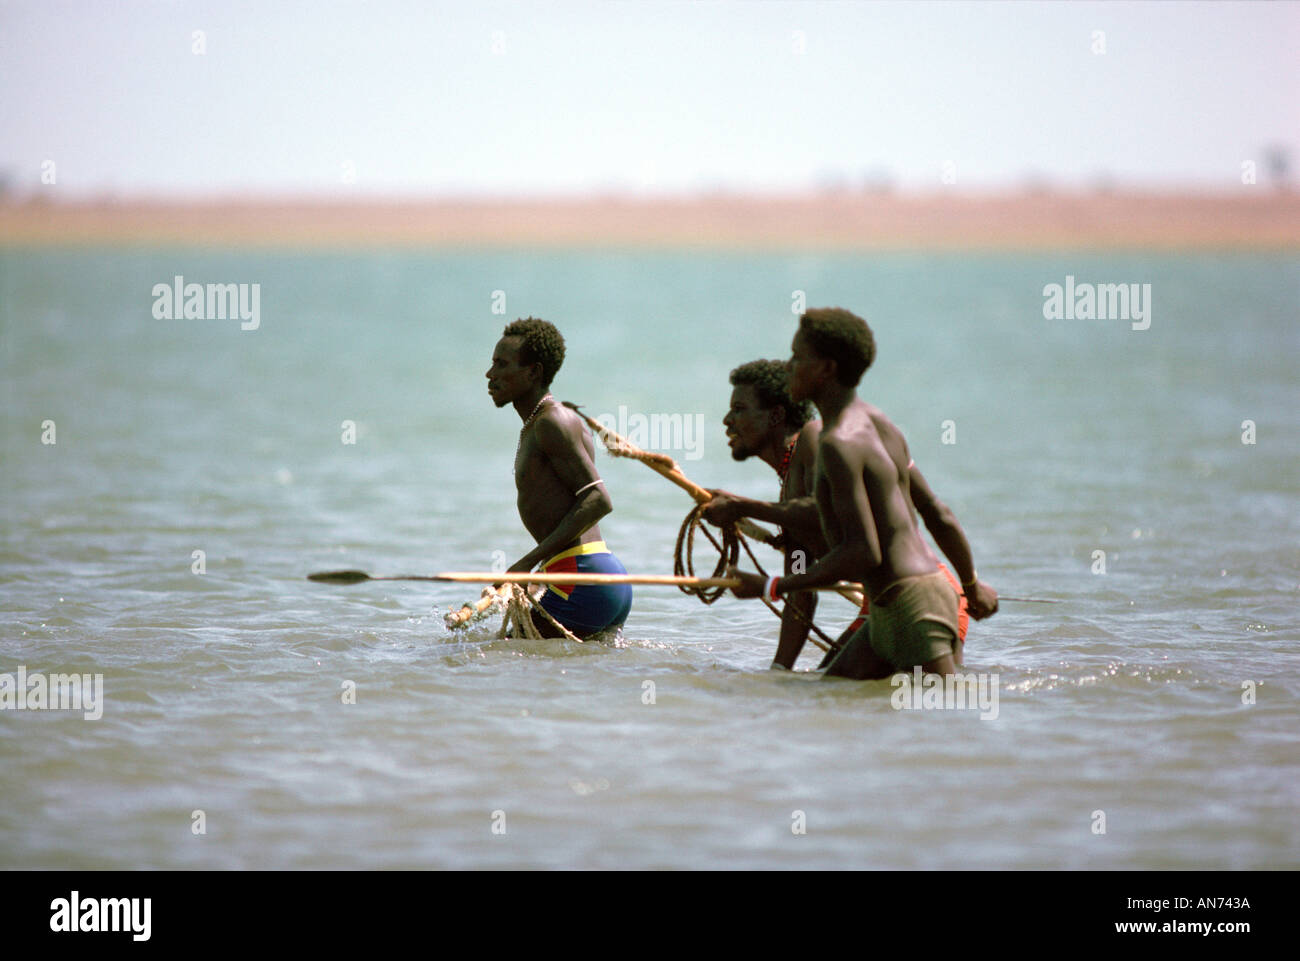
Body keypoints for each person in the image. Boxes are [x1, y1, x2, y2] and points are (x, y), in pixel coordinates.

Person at [728, 308, 993, 679]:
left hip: (916, 605)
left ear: (826, 369)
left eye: (798, 357)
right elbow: (937, 513)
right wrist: (971, 584)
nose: (789, 366)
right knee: (821, 700)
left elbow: (862, 551)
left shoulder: (834, 443)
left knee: (948, 713)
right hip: (888, 609)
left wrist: (771, 585)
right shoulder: (881, 425)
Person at [485, 317, 631, 638]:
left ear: (533, 372)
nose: (490, 374)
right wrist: (539, 573)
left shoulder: (551, 422)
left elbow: (598, 500)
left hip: (582, 577)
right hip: (595, 576)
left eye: (501, 364)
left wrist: (526, 563)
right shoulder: (543, 422)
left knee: (494, 659)